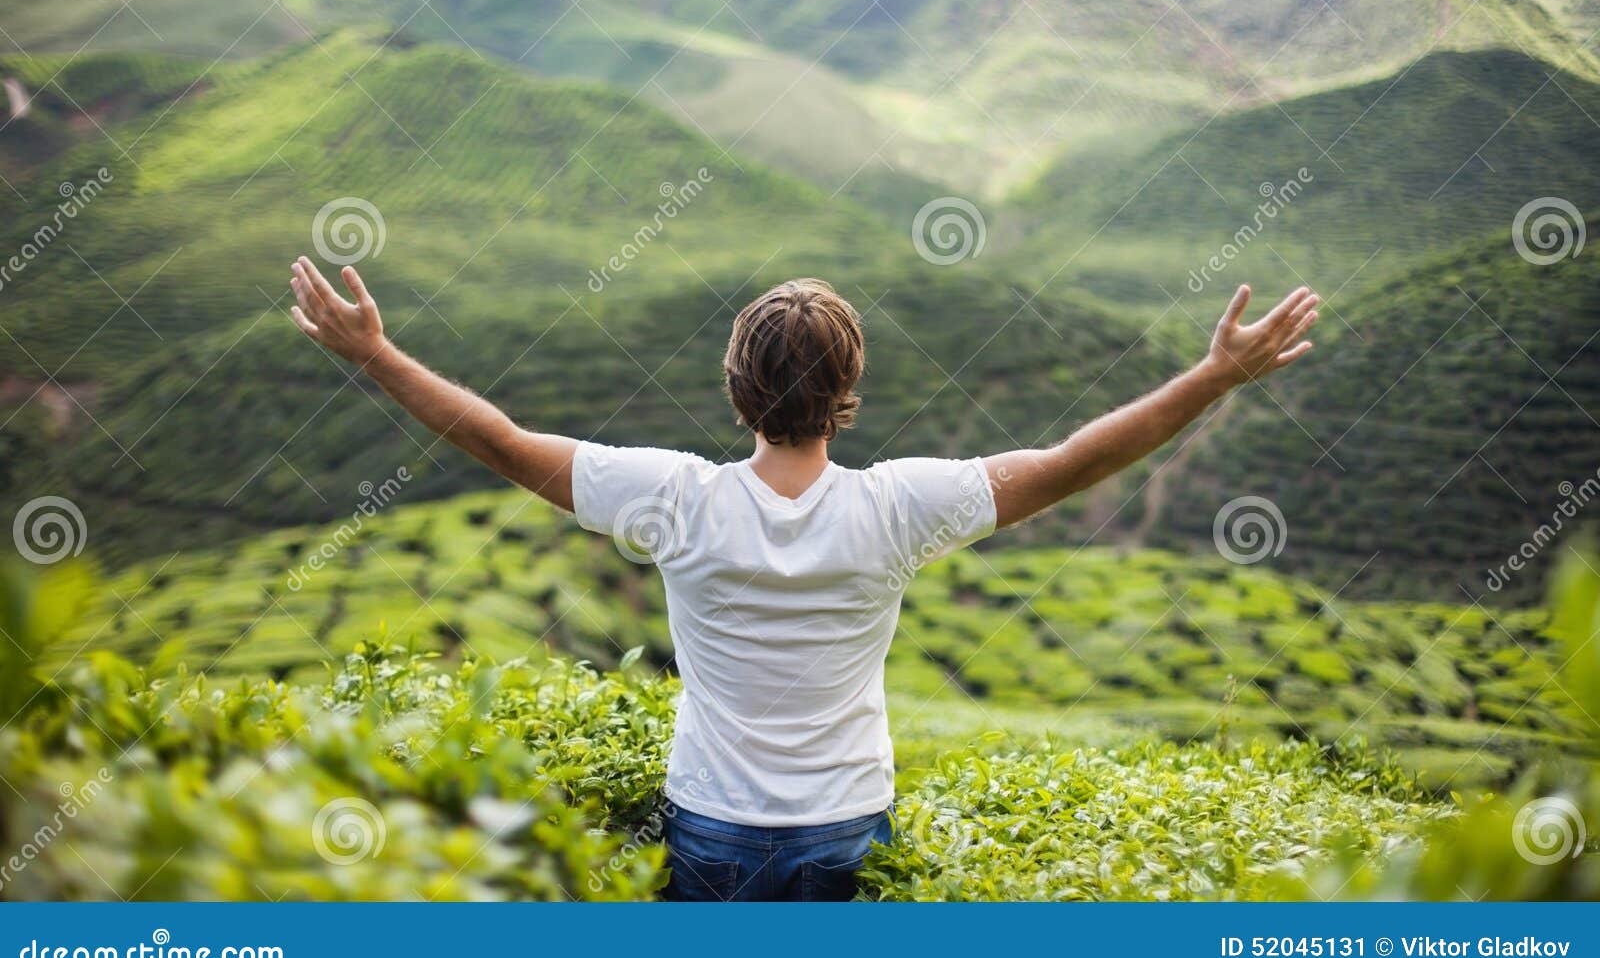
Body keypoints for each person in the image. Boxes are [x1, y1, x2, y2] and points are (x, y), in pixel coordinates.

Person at [288, 257, 1319, 901]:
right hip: (845, 823)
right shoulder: (898, 506)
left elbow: (501, 440)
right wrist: (1214, 373)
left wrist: (375, 352)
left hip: (711, 826)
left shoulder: (675, 497)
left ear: (737, 386)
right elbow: (1072, 461)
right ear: (847, 393)